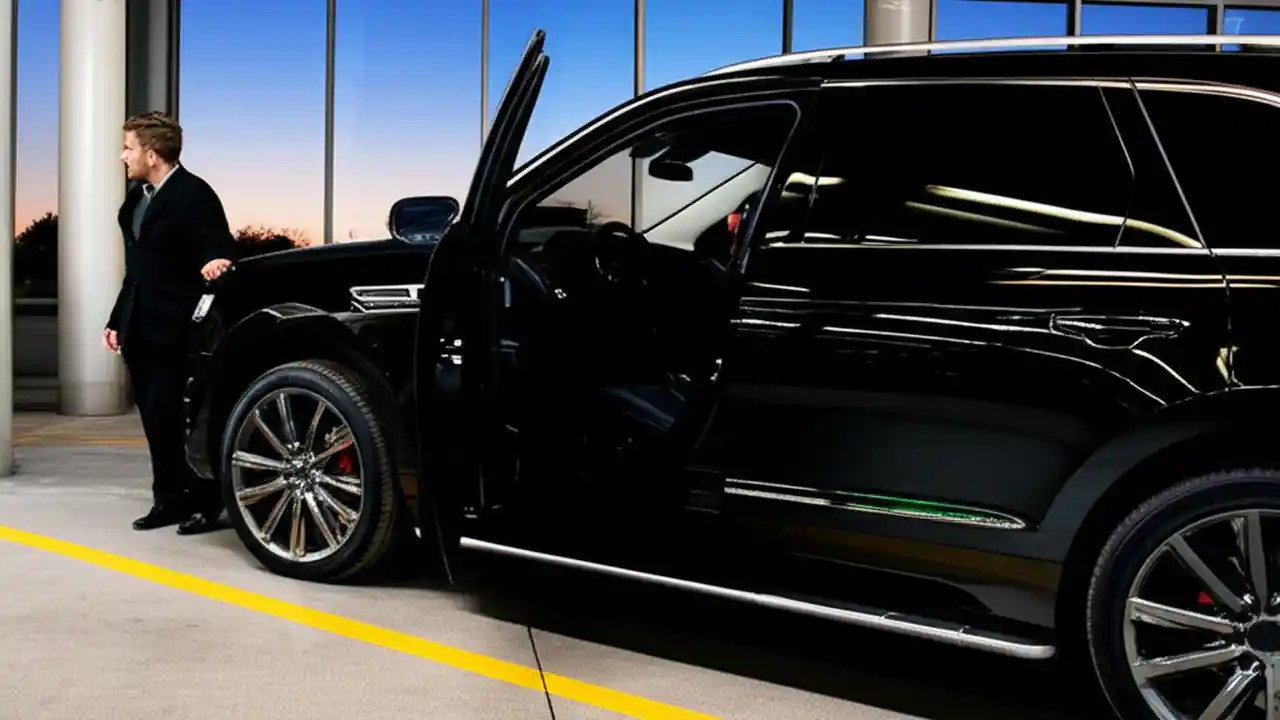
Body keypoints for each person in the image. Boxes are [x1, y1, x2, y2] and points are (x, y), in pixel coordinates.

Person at [104, 111, 236, 535]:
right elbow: (136, 270)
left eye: (127, 148)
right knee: (155, 418)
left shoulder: (195, 194)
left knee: (188, 419)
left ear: (152, 153)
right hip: (141, 327)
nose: (122, 156)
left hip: (181, 331)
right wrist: (116, 319)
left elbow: (219, 250)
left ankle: (206, 502)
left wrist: (217, 262)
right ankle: (169, 499)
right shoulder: (137, 199)